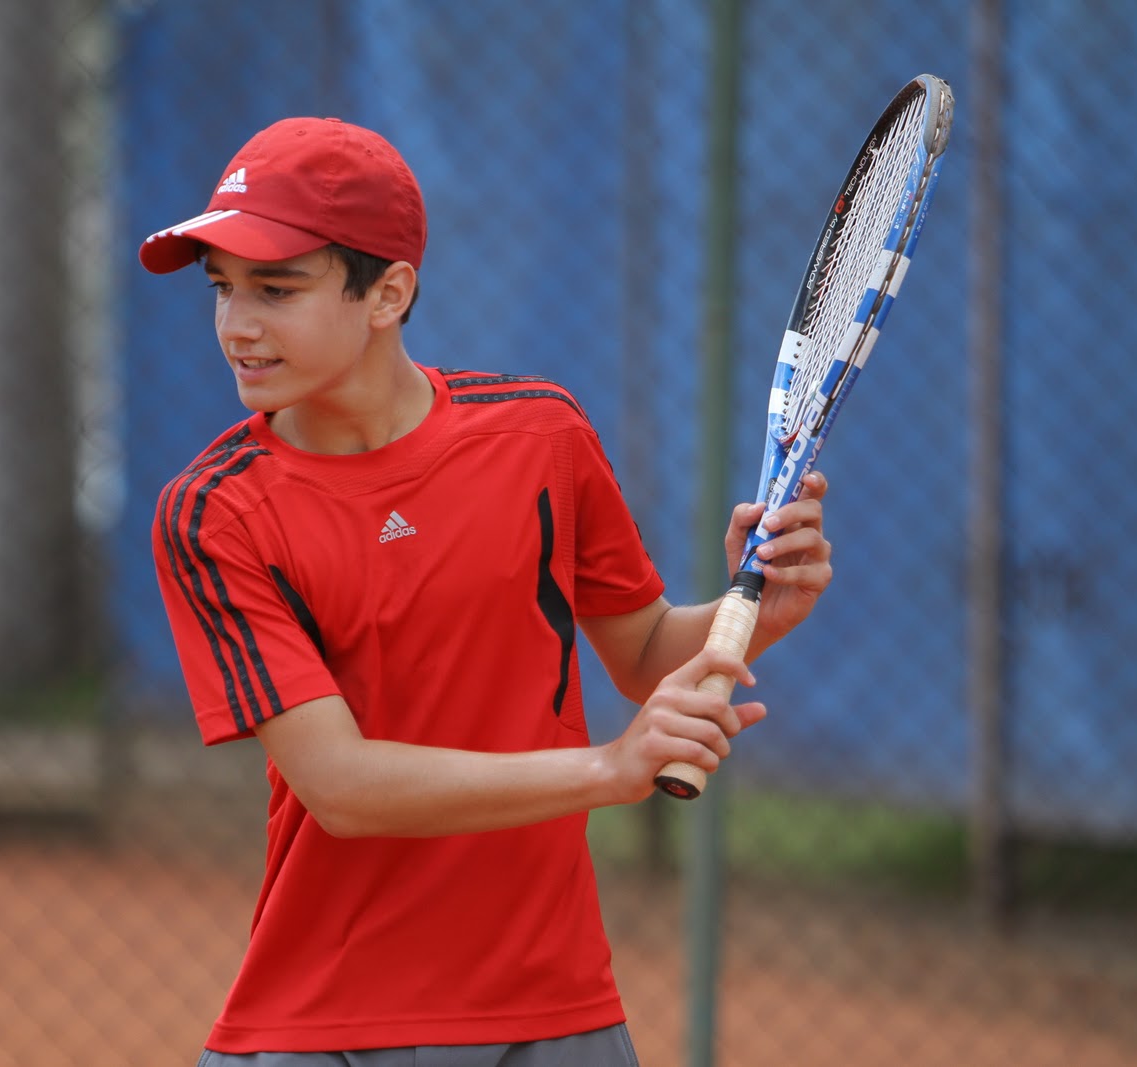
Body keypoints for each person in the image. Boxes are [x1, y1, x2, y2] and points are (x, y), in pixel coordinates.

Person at [141, 116, 833, 1067]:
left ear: (388, 292)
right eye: (221, 290)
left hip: (554, 1014)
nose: (236, 325)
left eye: (275, 288)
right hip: (324, 1026)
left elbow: (640, 654)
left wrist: (757, 613)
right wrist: (609, 769)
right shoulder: (213, 514)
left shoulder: (540, 439)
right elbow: (340, 786)